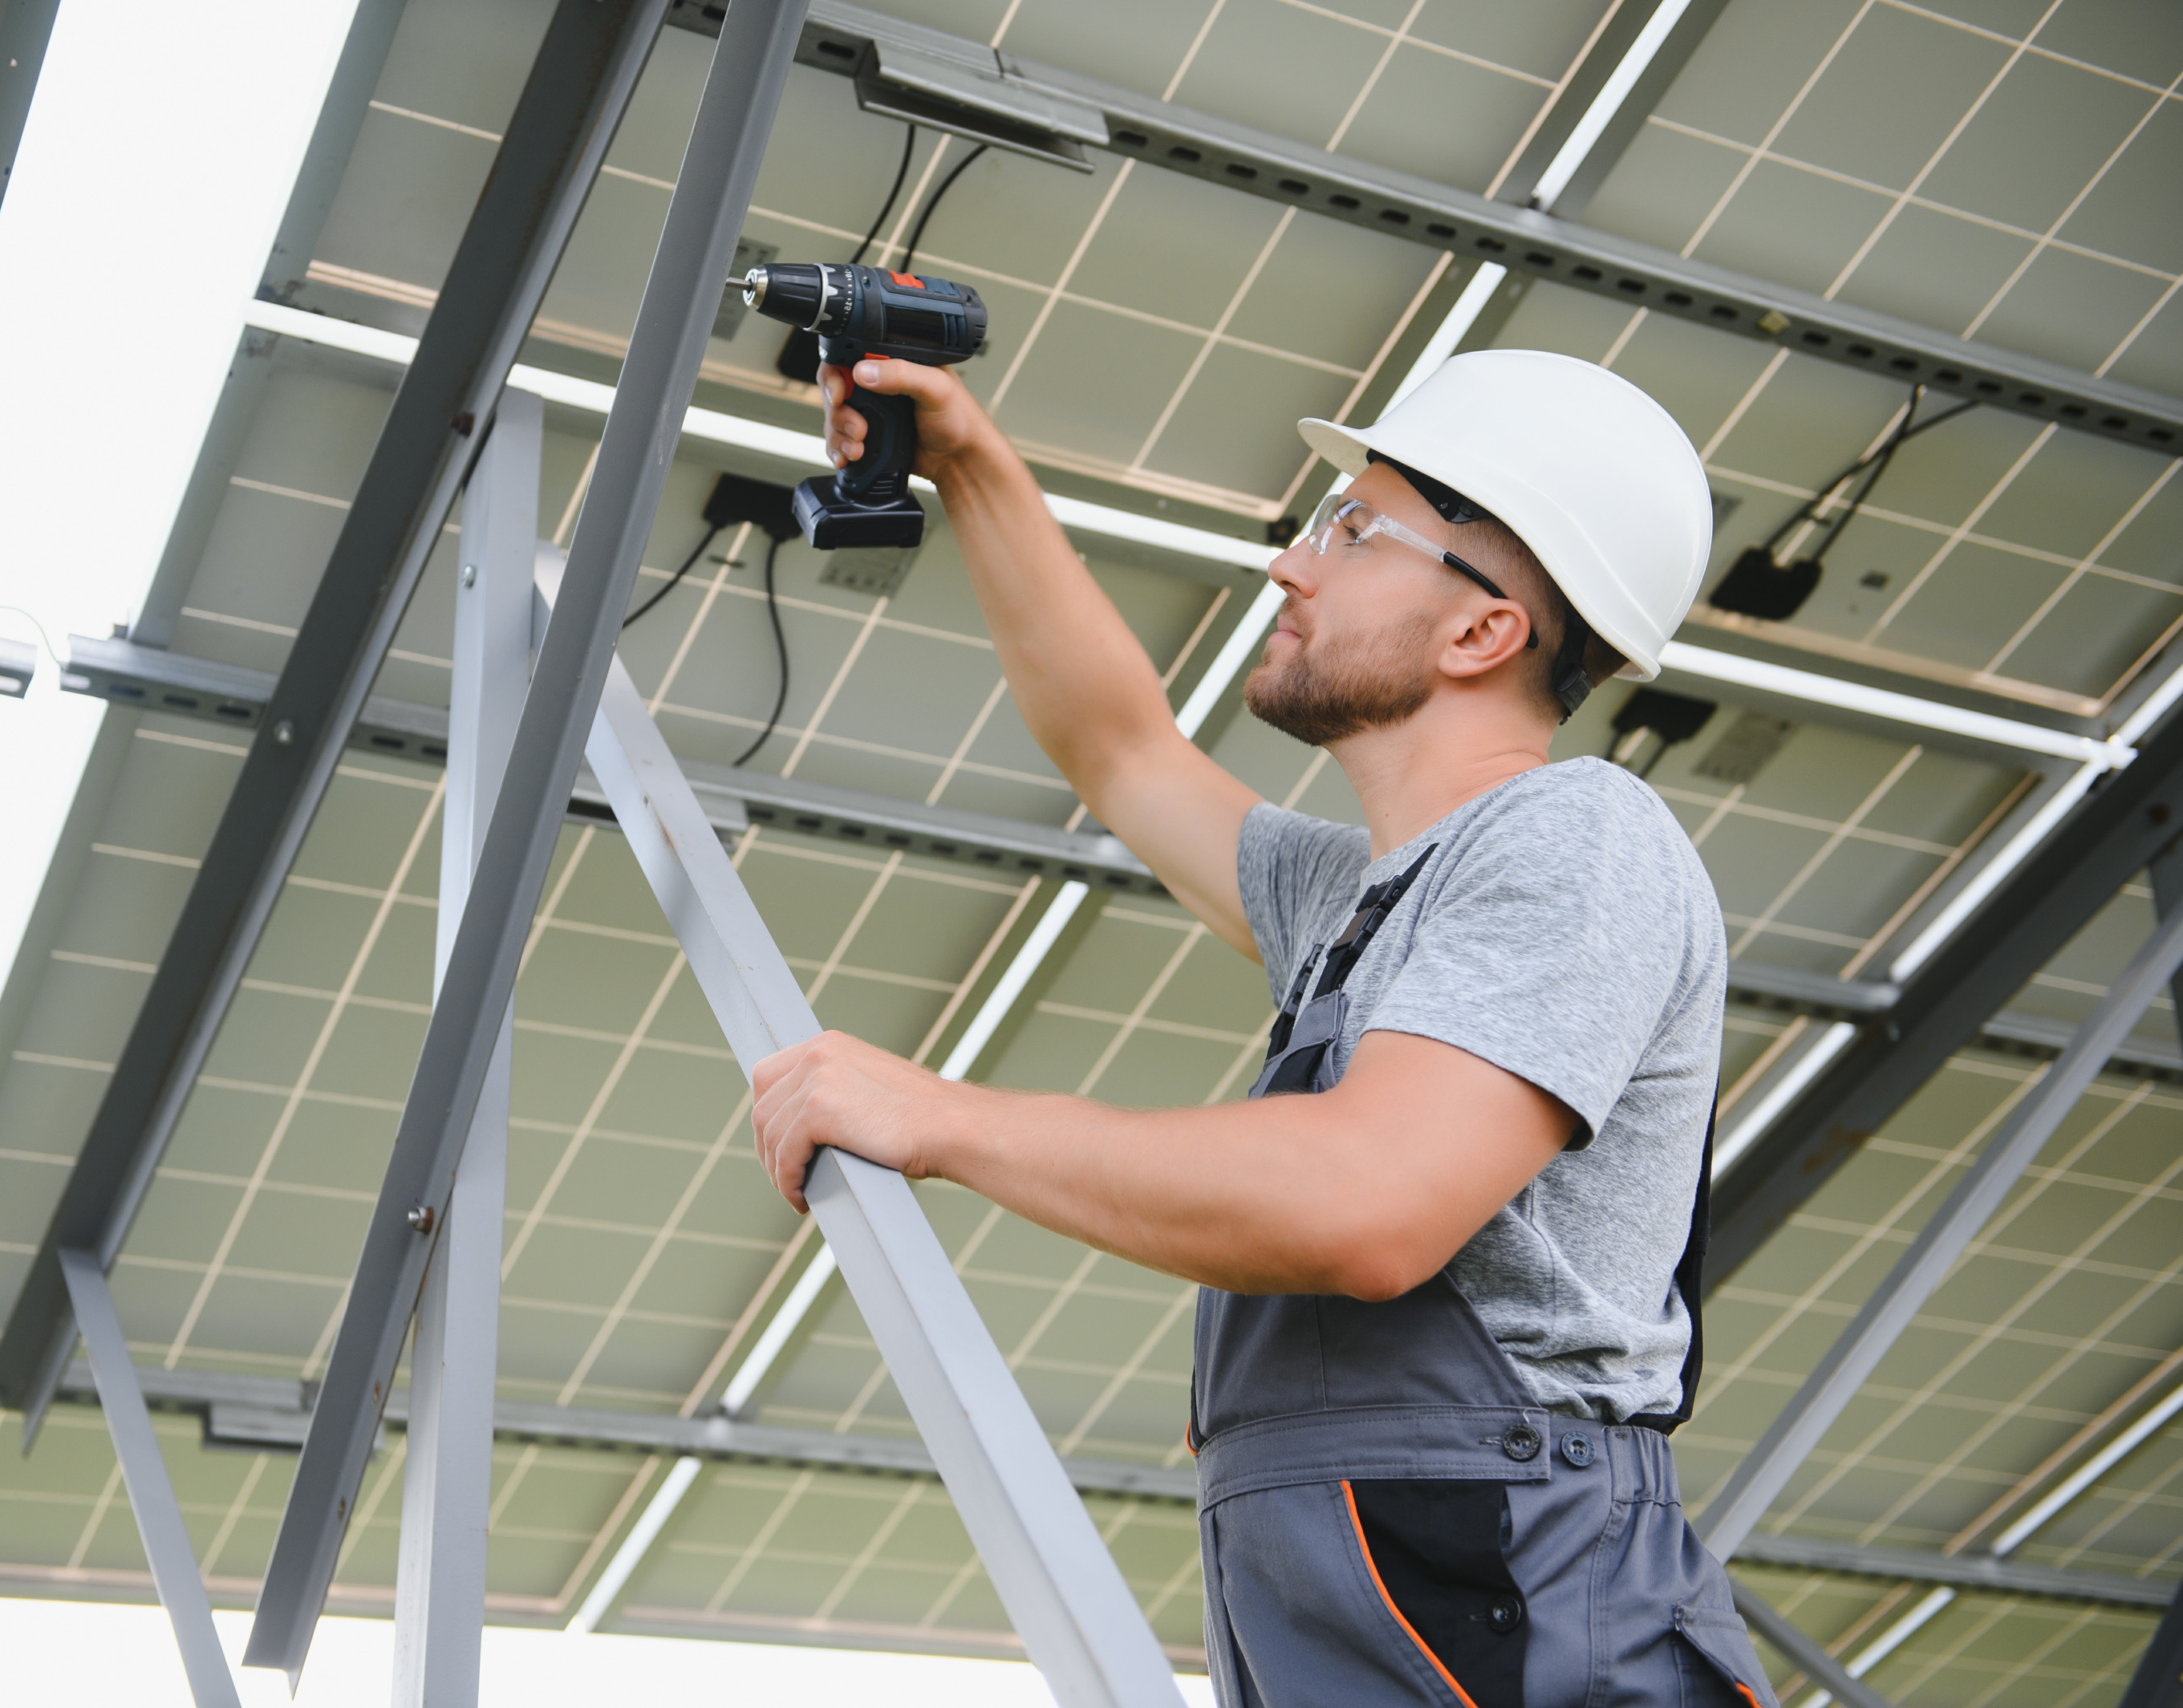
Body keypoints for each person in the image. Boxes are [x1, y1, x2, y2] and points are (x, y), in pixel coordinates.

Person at [749, 347, 1776, 1708]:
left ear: (1483, 633)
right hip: (1378, 1582)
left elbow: (1369, 1200)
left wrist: (941, 1115)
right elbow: (1122, 748)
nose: (1294, 565)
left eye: (1355, 529)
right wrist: (971, 465)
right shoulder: (1357, 901)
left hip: (1513, 1583)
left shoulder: (1579, 838)